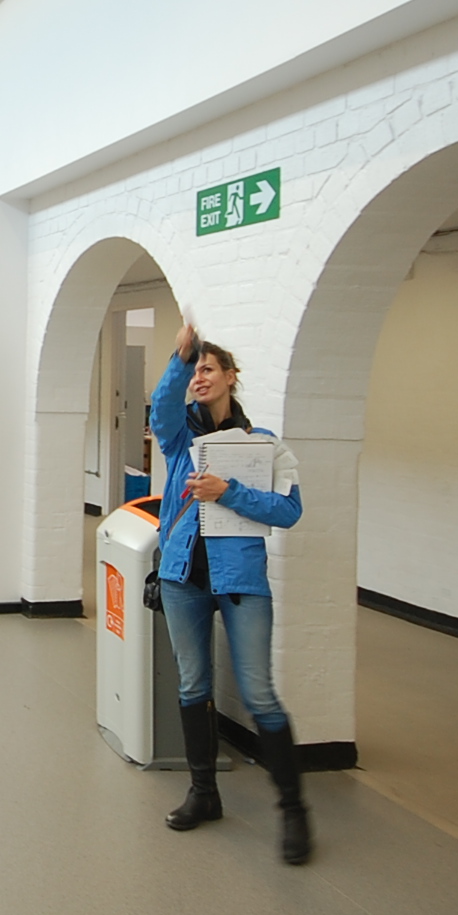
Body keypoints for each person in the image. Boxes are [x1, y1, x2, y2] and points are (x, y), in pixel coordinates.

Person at [147, 321, 311, 864]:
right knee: (193, 685)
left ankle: (293, 810)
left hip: (240, 581)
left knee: (260, 692)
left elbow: (288, 510)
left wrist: (229, 492)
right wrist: (180, 356)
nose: (200, 377)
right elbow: (160, 407)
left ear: (231, 377)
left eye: (209, 368)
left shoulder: (263, 446)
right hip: (182, 578)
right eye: (196, 370)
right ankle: (203, 793)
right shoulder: (180, 440)